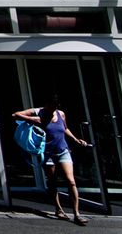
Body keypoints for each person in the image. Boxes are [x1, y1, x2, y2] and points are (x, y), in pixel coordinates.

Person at [14, 97, 92, 226]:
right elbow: (15, 114)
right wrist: (32, 119)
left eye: (55, 106)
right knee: (52, 181)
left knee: (71, 180)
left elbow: (65, 128)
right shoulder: (38, 112)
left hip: (62, 150)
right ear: (47, 104)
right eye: (51, 106)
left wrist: (75, 139)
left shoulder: (60, 114)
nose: (53, 109)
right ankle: (58, 209)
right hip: (48, 153)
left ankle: (76, 213)